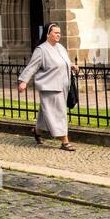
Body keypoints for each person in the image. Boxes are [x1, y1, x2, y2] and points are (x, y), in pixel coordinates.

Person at [17, 22, 77, 150]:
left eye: (59, 33)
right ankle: (65, 141)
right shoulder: (41, 50)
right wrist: (24, 81)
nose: (58, 35)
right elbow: (32, 66)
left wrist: (71, 66)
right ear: (48, 34)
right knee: (59, 114)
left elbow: (62, 62)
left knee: (47, 114)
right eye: (55, 33)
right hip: (49, 87)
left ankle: (36, 131)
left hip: (63, 86)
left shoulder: (61, 47)